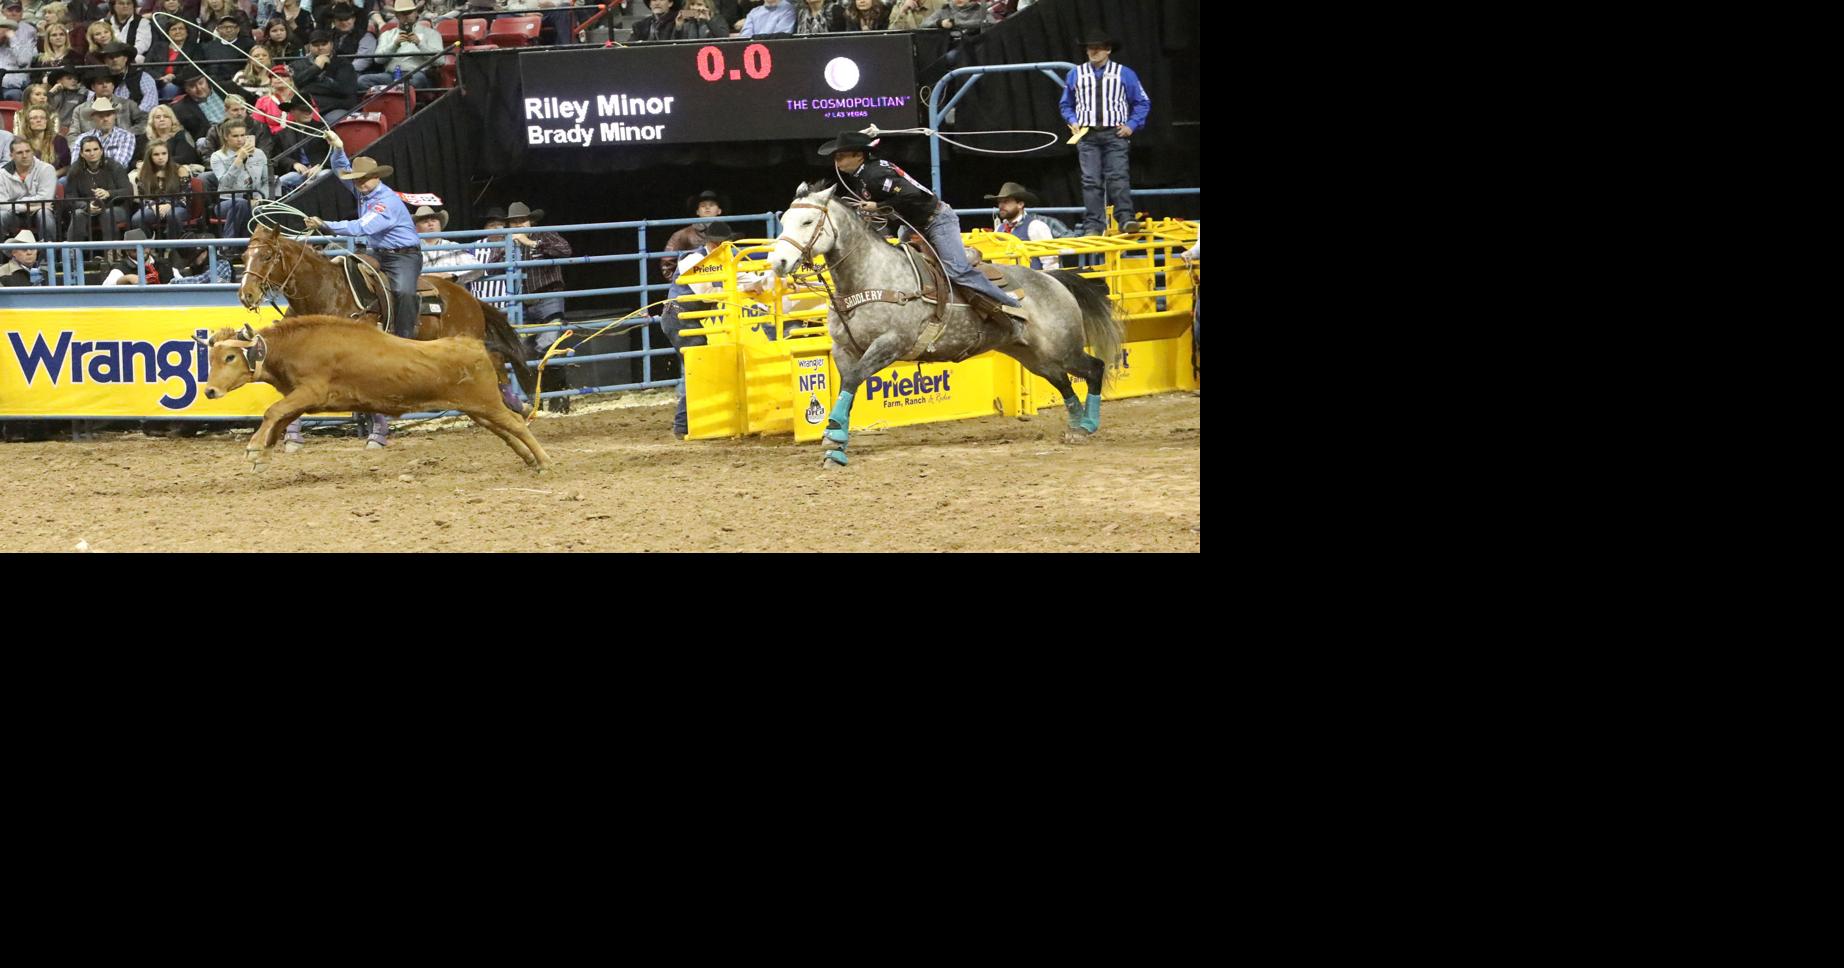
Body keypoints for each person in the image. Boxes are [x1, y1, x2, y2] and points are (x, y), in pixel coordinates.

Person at [819, 129, 1026, 334]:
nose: (837, 162)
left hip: (936, 220)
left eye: (841, 156)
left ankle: (1010, 303)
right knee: (898, 261)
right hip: (914, 224)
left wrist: (878, 206)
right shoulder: (865, 173)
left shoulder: (874, 174)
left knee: (958, 270)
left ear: (858, 155)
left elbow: (913, 194)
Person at [304, 129, 419, 337]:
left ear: (376, 177)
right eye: (357, 179)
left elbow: (362, 227)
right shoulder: (365, 190)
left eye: (364, 179)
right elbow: (341, 170)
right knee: (345, 269)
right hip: (378, 252)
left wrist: (325, 225)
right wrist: (338, 148)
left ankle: (405, 336)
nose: (360, 183)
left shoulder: (386, 202)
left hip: (404, 256)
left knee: (404, 292)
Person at [1058, 32, 1150, 236]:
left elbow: (1142, 101)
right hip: (1087, 134)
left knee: (1118, 177)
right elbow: (1066, 104)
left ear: (1108, 50)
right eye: (1090, 47)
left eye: (1098, 47)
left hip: (1114, 133)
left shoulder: (1124, 73)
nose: (1093, 51)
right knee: (1090, 180)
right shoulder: (1076, 74)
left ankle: (1126, 218)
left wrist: (1131, 125)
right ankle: (1094, 224)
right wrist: (1072, 121)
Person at [64, 131, 134, 241]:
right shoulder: (75, 170)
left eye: (95, 149)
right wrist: (86, 206)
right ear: (81, 154)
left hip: (114, 208)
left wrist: (109, 193)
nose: (92, 153)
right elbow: (69, 197)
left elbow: (128, 191)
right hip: (88, 209)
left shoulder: (114, 167)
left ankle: (111, 252)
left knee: (106, 214)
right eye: (87, 150)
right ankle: (74, 253)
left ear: (101, 151)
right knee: (77, 214)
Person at [208, 117, 268, 236]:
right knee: (241, 204)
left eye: (243, 135)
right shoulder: (217, 157)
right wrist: (239, 159)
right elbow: (225, 183)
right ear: (226, 137)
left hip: (256, 200)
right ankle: (229, 246)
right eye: (235, 136)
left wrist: (260, 199)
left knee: (257, 209)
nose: (240, 139)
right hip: (227, 202)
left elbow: (266, 180)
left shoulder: (259, 154)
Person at [359, 0, 438, 89]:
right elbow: (378, 60)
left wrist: (420, 44)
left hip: (416, 74)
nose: (406, 16)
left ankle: (394, 90)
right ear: (397, 15)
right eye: (402, 13)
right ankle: (395, 90)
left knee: (417, 79)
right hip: (391, 75)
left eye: (409, 12)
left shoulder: (431, 33)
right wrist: (394, 45)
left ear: (416, 13)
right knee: (362, 80)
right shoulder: (387, 34)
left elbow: (440, 61)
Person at [985, 181, 1058, 270]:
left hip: (1033, 280)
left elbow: (1050, 262)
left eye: (1006, 202)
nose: (1001, 205)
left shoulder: (1035, 227)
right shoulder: (999, 229)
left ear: (1020, 204)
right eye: (999, 202)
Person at [292, 28, 356, 121]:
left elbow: (344, 89)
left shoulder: (343, 64)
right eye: (316, 45)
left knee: (337, 119)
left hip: (335, 108)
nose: (320, 48)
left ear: (331, 44)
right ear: (309, 46)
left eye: (324, 44)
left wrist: (308, 87)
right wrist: (316, 68)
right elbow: (295, 84)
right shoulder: (298, 64)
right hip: (306, 109)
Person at [661, 187, 723, 282]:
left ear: (719, 211)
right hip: (695, 283)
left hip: (721, 282)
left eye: (711, 205)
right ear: (697, 211)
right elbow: (667, 263)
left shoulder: (728, 234)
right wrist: (681, 285)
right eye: (703, 205)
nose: (707, 207)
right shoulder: (682, 235)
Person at [1, 137, 58, 241]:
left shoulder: (46, 169)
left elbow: (45, 198)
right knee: (1, 215)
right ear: (11, 156)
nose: (24, 156)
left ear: (33, 152)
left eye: (28, 151)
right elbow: (2, 204)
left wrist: (15, 203)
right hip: (15, 215)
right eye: (19, 153)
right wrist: (27, 207)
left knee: (45, 214)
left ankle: (48, 256)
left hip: (38, 212)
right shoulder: (2, 174)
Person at [133, 137, 189, 237]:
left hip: (177, 205)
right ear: (150, 156)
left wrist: (169, 204)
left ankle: (173, 249)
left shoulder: (180, 170)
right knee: (137, 218)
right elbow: (143, 197)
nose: (161, 157)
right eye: (156, 154)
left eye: (164, 153)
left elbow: (186, 196)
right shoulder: (143, 173)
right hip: (154, 206)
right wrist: (154, 205)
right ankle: (148, 249)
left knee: (173, 215)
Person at [268, 96, 326, 193]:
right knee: (280, 183)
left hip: (321, 169)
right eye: (303, 110)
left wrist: (320, 165)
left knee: (323, 177)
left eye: (310, 109)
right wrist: (294, 164)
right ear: (292, 111)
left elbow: (335, 151)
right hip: (297, 173)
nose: (308, 112)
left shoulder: (324, 129)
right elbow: (277, 156)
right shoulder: (283, 134)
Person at [1, 9, 36, 99]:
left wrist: (13, 39)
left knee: (14, 94)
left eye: (5, 29)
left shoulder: (21, 45)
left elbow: (24, 61)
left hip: (11, 88)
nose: (2, 32)